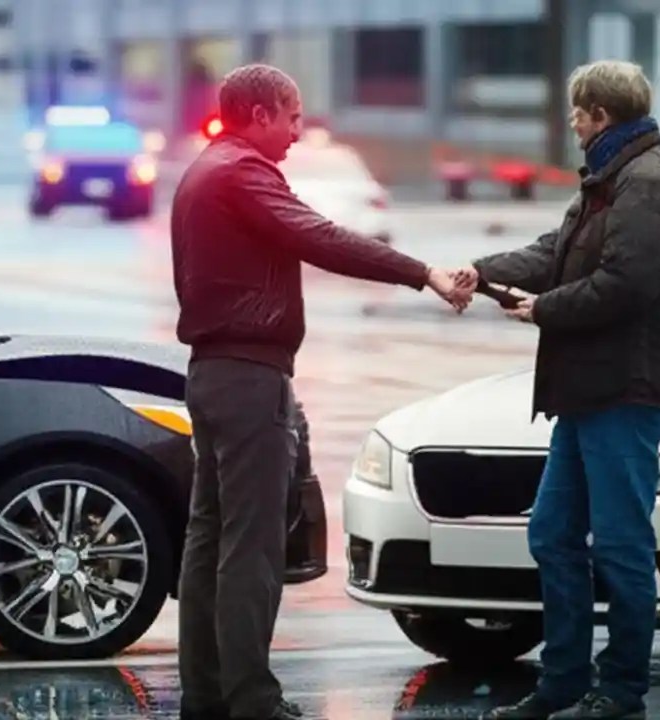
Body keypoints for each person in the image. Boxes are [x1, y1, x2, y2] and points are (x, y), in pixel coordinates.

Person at [171, 63, 471, 720]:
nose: (298, 131)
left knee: (210, 539)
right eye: (293, 116)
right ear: (260, 115)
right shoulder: (243, 172)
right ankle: (250, 700)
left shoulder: (204, 169)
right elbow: (320, 237)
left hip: (212, 373)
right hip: (249, 379)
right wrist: (422, 273)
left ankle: (206, 694)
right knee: (250, 547)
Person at [459, 60, 660, 720]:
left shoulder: (647, 182)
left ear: (599, 114)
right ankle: (563, 681)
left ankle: (621, 689)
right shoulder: (610, 179)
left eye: (577, 111)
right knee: (552, 534)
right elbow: (555, 254)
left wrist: (544, 310)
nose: (571, 121)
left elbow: (628, 285)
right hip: (589, 391)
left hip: (629, 389)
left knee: (621, 544)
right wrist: (476, 275)